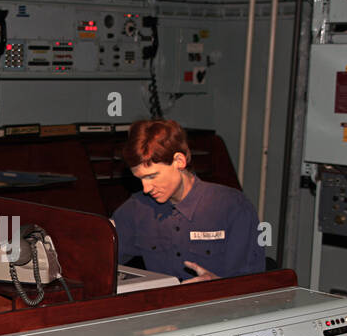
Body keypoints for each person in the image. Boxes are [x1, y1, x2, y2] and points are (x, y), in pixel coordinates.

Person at [113, 119, 265, 283]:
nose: (146, 188)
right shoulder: (136, 209)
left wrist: (218, 285)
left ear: (179, 161)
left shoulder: (233, 207)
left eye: (152, 176)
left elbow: (253, 285)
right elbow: (100, 263)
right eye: (140, 178)